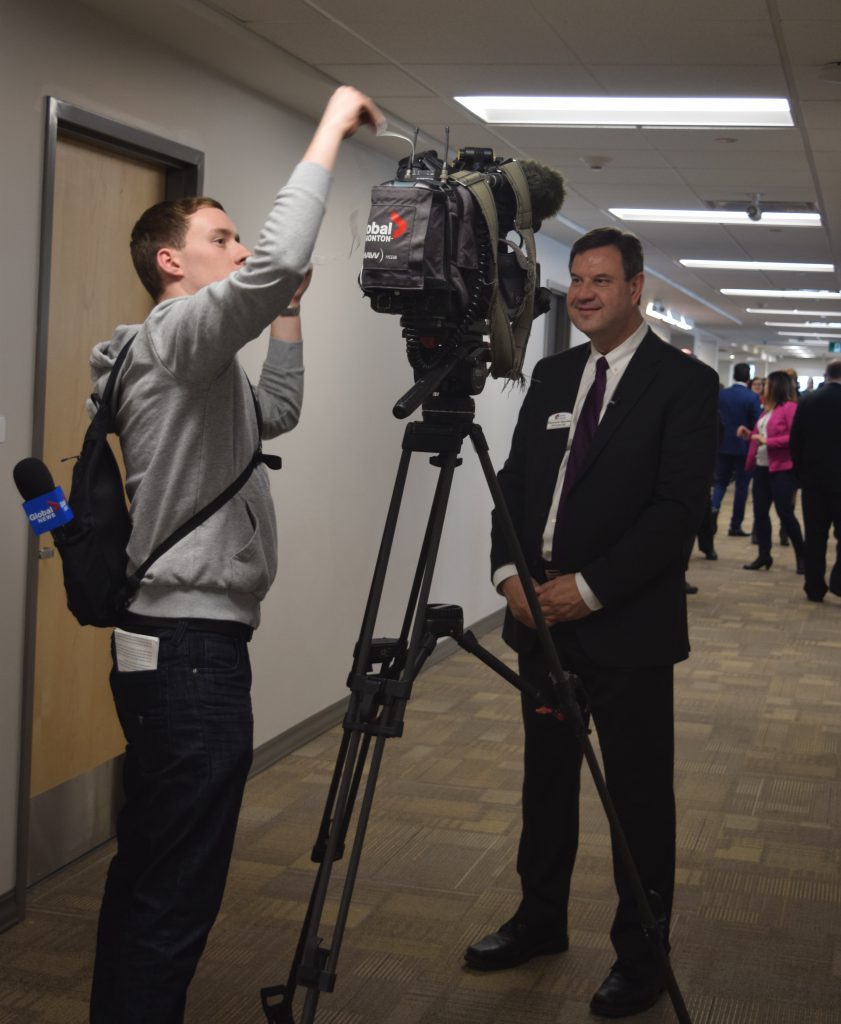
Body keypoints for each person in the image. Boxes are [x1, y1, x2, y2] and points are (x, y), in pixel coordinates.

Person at [86, 86, 384, 1024]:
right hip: (190, 659)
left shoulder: (182, 366)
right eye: (223, 236)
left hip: (167, 649)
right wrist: (332, 126)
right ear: (173, 263)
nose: (242, 247)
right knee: (176, 892)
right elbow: (284, 251)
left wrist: (285, 312)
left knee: (154, 870)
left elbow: (275, 414)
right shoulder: (178, 333)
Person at [465, 227, 718, 1018]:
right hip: (539, 622)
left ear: (634, 288)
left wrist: (592, 588)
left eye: (600, 280)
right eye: (575, 278)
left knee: (636, 797)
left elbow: (677, 510)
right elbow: (511, 479)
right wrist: (508, 573)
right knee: (545, 783)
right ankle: (538, 919)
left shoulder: (684, 384)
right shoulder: (550, 373)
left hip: (626, 628)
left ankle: (640, 956)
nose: (582, 293)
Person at [738, 370, 805, 573]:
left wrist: (768, 441)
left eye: (766, 384)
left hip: (782, 469)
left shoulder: (790, 408)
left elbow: (795, 438)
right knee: (760, 513)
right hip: (762, 467)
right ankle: (764, 555)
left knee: (785, 513)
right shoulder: (767, 410)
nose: (763, 387)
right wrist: (749, 435)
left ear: (776, 387)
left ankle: (802, 556)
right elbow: (761, 437)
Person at [790, 358, 841, 601]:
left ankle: (814, 586)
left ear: (826, 374)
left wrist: (801, 473)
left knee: (815, 536)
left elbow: (795, 442)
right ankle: (839, 582)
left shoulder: (808, 400)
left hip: (813, 481)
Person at [710, 362, 761, 538]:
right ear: (748, 378)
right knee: (742, 487)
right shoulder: (752, 397)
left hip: (722, 445)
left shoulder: (722, 395)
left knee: (720, 482)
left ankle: (713, 511)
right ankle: (735, 525)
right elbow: (756, 425)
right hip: (743, 447)